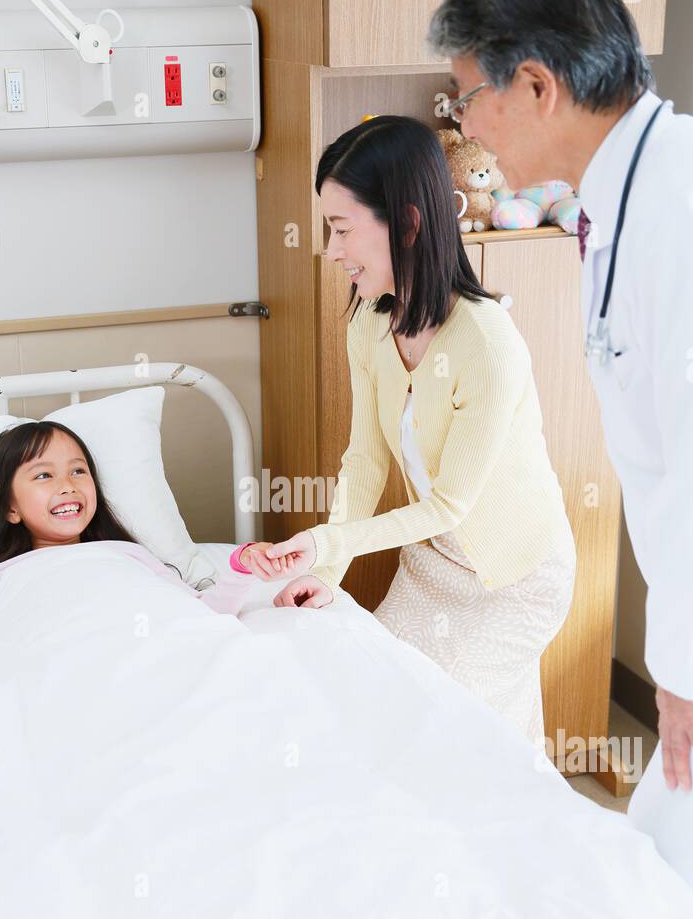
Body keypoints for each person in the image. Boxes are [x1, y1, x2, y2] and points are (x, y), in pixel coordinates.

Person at [426, 0, 693, 913]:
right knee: (667, 873)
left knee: (682, 887)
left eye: (466, 96)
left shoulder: (683, 202)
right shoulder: (615, 198)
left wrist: (682, 675)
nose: (461, 123)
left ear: (536, 86)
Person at [239, 114, 577, 744]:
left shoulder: (488, 343)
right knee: (387, 699)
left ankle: (500, 824)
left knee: (445, 729)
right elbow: (363, 462)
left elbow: (451, 504)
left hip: (514, 577)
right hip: (435, 563)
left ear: (409, 222)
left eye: (342, 230)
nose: (333, 250)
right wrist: (328, 567)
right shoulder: (370, 322)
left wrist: (318, 543)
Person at [0, 421, 245, 640]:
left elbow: (206, 615)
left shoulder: (131, 556)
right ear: (9, 507)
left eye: (78, 471)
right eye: (44, 475)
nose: (67, 485)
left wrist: (243, 570)